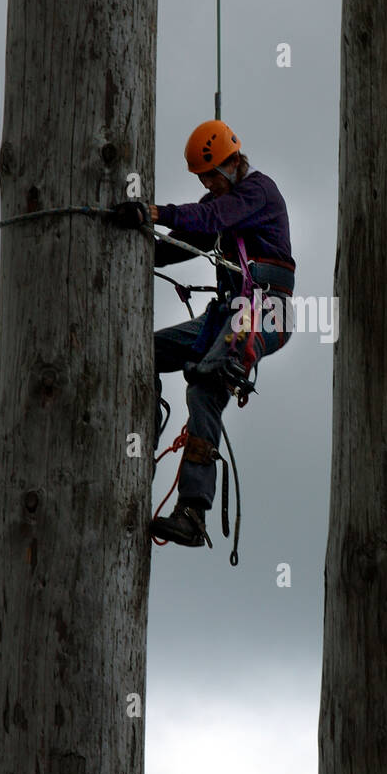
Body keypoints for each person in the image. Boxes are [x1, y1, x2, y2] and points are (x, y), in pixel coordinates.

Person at [113, 120, 295, 548]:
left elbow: (211, 217)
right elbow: (188, 236)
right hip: (228, 313)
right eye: (203, 179)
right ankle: (145, 427)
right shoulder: (224, 201)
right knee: (149, 352)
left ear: (232, 162)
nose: (209, 185)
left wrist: (153, 211)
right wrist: (136, 245)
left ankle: (193, 511)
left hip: (266, 310)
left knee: (206, 386)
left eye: (211, 176)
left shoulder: (256, 193)